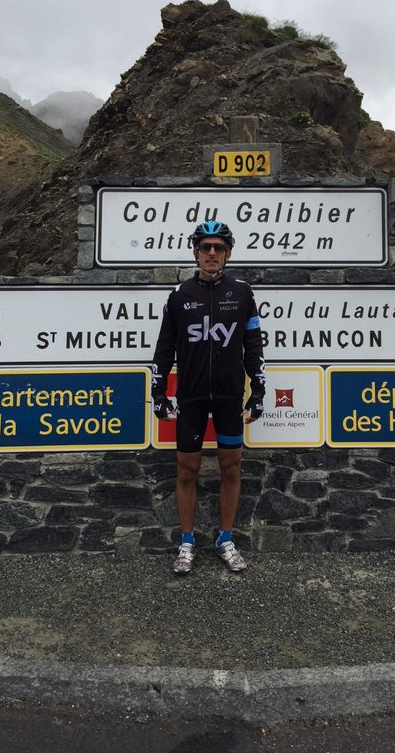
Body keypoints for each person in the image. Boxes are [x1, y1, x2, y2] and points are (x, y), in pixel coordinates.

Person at [151, 220, 266, 575]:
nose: (211, 253)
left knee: (231, 468)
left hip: (230, 397)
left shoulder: (243, 293)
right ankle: (186, 542)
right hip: (192, 398)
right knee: (187, 470)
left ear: (228, 253)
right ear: (196, 252)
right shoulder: (180, 295)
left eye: (218, 247)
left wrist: (258, 391)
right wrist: (158, 392)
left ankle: (225, 539)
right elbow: (165, 347)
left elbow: (253, 346)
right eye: (205, 247)